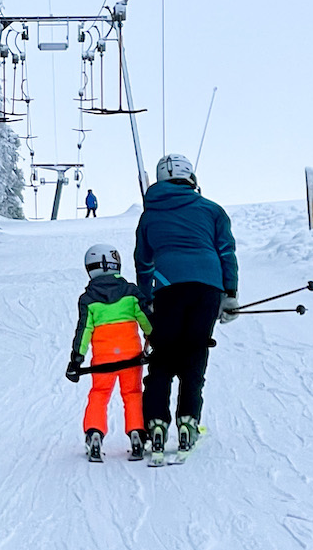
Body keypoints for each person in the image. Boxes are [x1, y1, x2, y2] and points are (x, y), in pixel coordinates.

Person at [133, 153, 237, 460]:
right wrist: (229, 294)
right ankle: (188, 420)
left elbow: (143, 260)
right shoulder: (212, 210)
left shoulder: (149, 215)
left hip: (166, 287)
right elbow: (226, 252)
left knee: (163, 356)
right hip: (207, 287)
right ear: (191, 178)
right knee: (195, 351)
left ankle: (155, 422)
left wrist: (146, 297)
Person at [65, 243, 150, 462]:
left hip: (103, 359)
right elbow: (146, 320)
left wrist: (76, 358)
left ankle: (94, 432)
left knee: (99, 394)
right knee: (132, 394)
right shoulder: (131, 293)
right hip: (131, 356)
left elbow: (84, 330)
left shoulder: (88, 299)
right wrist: (158, 340)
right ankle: (137, 434)